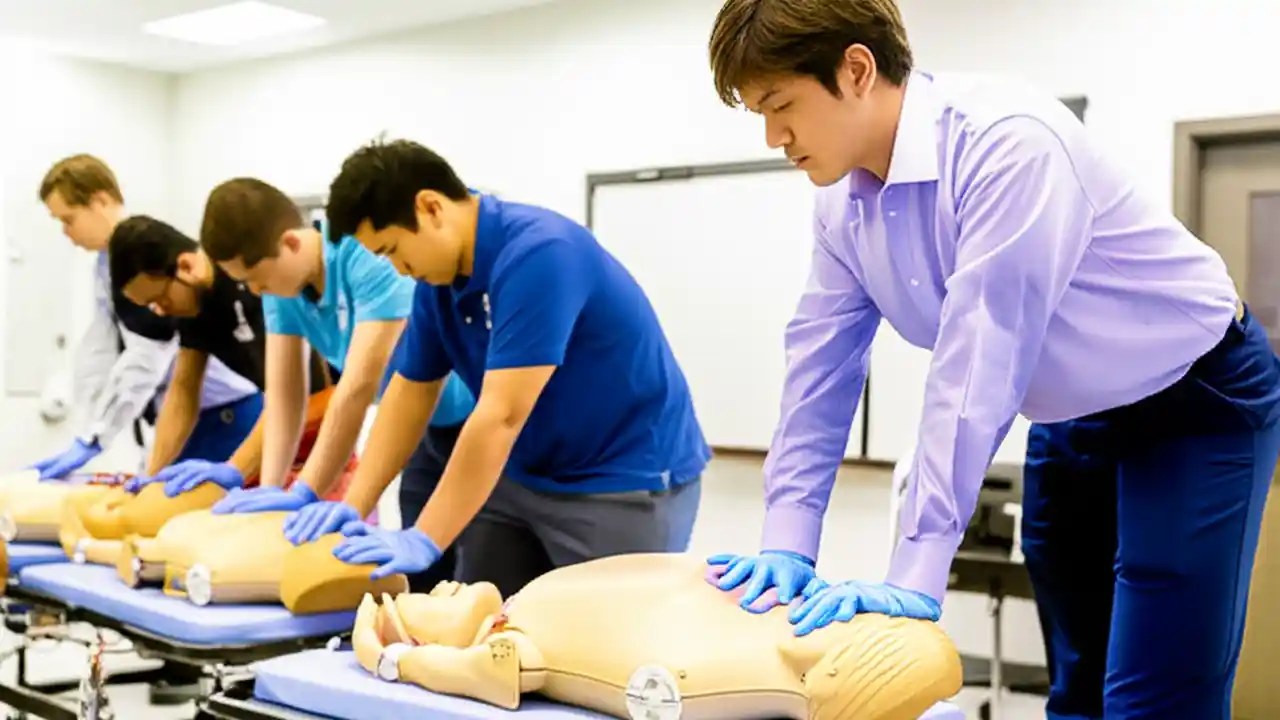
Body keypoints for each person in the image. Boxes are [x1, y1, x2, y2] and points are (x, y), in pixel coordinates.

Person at [702, 1, 1280, 718]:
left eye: (779, 104)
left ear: (855, 69)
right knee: (1075, 684)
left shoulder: (1006, 144)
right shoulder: (840, 203)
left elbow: (977, 362)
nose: (771, 136)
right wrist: (789, 541)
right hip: (1074, 414)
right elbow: (819, 367)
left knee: (1153, 697)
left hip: (1196, 397)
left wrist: (915, 571)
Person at [288, 138, 709, 598]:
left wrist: (426, 534)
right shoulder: (438, 282)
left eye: (392, 249)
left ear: (430, 208)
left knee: (601, 646)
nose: (399, 268)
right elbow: (409, 392)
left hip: (621, 477)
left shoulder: (540, 253)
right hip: (524, 474)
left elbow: (500, 415)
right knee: (482, 626)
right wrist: (355, 504)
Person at [192, 176, 475, 592]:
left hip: (475, 422)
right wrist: (271, 490)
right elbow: (287, 396)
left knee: (477, 570)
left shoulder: (365, 259)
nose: (255, 291)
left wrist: (309, 488)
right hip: (424, 431)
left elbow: (358, 387)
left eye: (257, 278)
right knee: (420, 579)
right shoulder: (280, 288)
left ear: (290, 243)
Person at [33, 154, 263, 480]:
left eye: (68, 219)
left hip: (227, 414)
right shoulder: (105, 267)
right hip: (180, 412)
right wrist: (88, 432)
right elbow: (101, 353)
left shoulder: (151, 260)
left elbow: (147, 358)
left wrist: (97, 437)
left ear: (100, 201)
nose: (66, 233)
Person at [106, 215, 339, 498]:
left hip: (324, 429)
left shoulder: (253, 284)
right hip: (279, 431)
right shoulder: (193, 308)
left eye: (160, 299)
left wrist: (236, 468)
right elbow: (183, 390)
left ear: (185, 266)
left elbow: (295, 396)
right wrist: (151, 474)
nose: (160, 311)